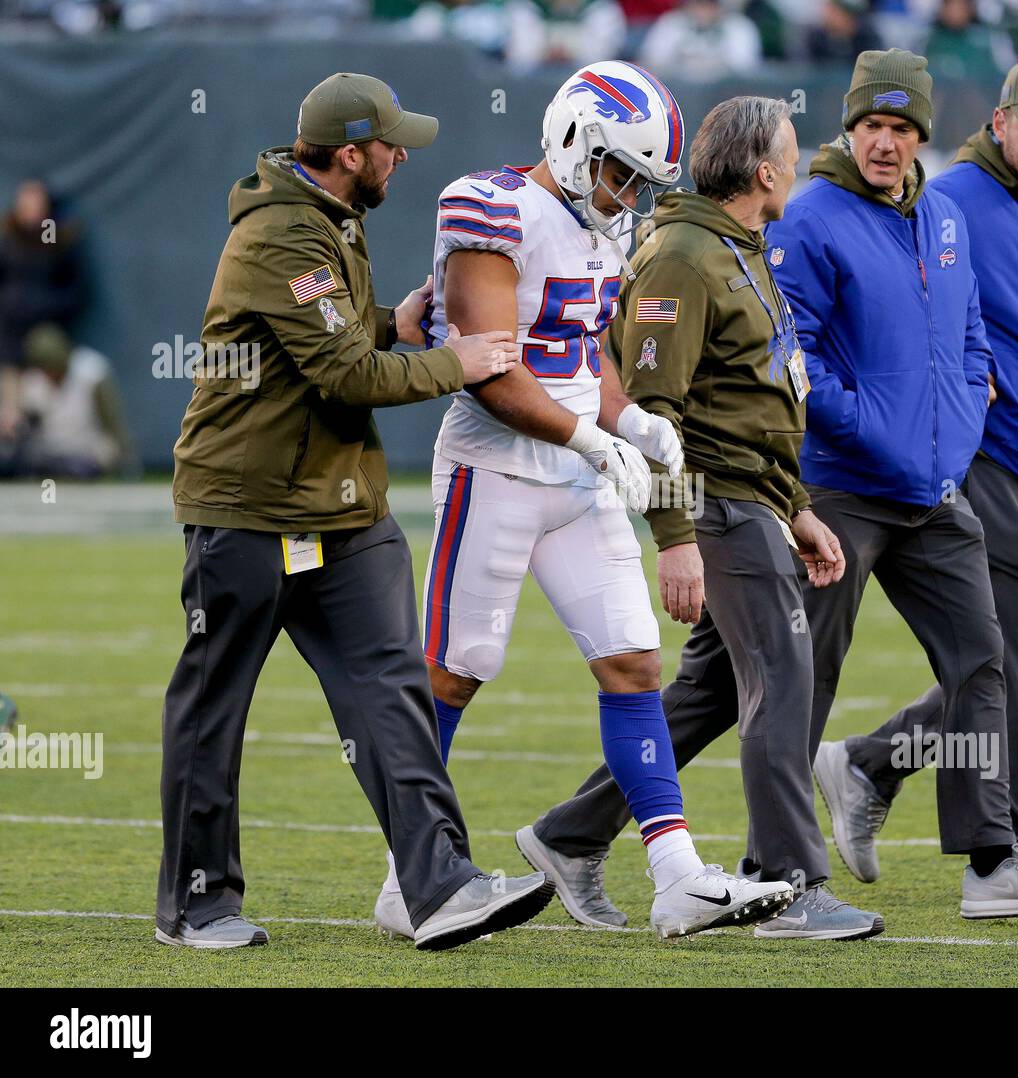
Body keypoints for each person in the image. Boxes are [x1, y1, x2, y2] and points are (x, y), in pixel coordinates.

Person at [372, 63, 794, 943]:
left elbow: (578, 352)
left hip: (573, 477)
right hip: (496, 469)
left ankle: (677, 876)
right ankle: (411, 876)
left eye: (643, 181)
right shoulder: (490, 207)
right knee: (455, 670)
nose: (629, 194)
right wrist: (591, 438)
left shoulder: (602, 228)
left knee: (634, 660)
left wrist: (630, 418)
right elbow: (489, 362)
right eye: (622, 172)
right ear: (572, 140)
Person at [157, 72, 549, 952]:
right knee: (213, 708)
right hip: (247, 508)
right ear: (346, 155)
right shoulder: (281, 233)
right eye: (390, 143)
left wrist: (388, 324)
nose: (403, 154)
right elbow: (341, 377)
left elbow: (332, 339)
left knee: (393, 694)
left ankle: (441, 886)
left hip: (341, 507)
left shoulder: (330, 218)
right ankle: (197, 904)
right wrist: (463, 359)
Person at [524, 95, 886, 942]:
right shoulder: (684, 256)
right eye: (792, 152)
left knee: (713, 692)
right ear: (764, 171)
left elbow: (756, 397)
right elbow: (655, 416)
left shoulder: (739, 246)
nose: (800, 163)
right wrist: (679, 541)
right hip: (716, 505)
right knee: (784, 680)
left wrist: (796, 508)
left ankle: (568, 836)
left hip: (754, 499)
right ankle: (787, 882)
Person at [767, 48, 1018, 919]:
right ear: (850, 126)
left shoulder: (935, 214)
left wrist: (953, 427)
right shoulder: (819, 215)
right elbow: (789, 355)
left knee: (988, 663)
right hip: (843, 487)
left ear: (923, 133)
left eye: (903, 128)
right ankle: (773, 868)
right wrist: (880, 426)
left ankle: (990, 861)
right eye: (873, 126)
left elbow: (967, 336)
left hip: (938, 484)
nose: (887, 144)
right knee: (795, 675)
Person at [0, 178, 86, 444]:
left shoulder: (60, 245)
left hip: (47, 343)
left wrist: (41, 305)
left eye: (36, 201)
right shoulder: (6, 243)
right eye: (25, 200)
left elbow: (78, 293)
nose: (30, 207)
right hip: (10, 344)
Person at [3, 323, 134, 478]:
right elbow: (27, 427)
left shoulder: (91, 373)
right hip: (48, 454)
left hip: (88, 451)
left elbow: (112, 421)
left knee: (91, 462)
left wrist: (127, 459)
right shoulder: (33, 380)